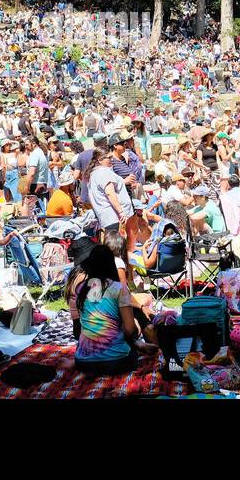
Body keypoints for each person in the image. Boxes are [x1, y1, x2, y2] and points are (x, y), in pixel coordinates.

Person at [68, 244, 158, 375]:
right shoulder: (119, 289)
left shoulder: (81, 288)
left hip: (83, 362)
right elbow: (130, 329)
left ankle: (137, 346)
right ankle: (137, 346)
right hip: (117, 362)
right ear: (111, 264)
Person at [86, 148, 132, 239]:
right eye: (109, 157)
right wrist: (121, 212)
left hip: (106, 218)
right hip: (113, 217)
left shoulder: (94, 173)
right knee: (116, 247)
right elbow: (110, 193)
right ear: (100, 160)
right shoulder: (103, 172)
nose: (112, 159)